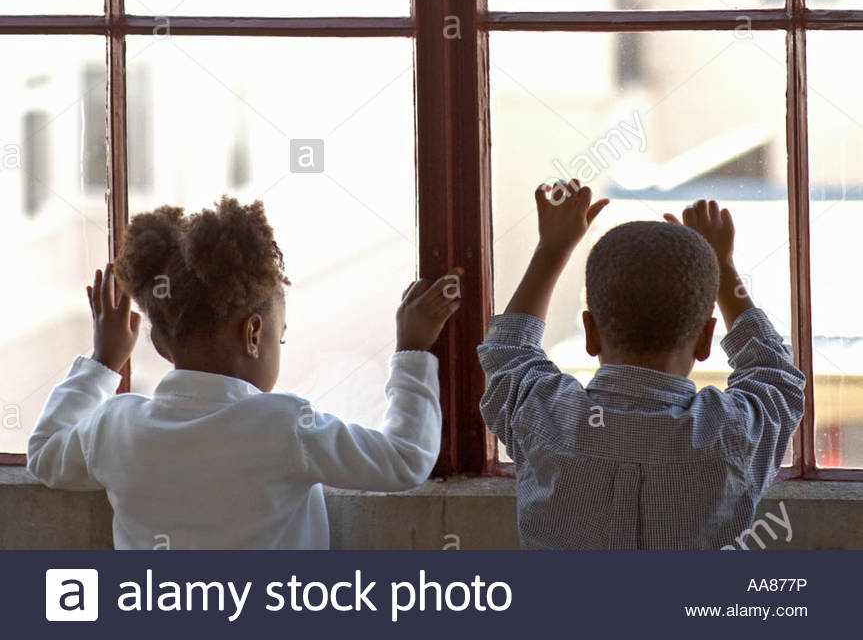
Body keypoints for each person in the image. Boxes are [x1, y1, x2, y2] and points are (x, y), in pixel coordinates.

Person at [27, 196, 461, 549]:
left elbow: (44, 454)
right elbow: (405, 459)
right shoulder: (286, 425)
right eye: (281, 337)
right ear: (253, 333)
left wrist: (103, 363)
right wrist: (412, 350)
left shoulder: (115, 426)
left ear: (158, 344)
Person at [478, 184, 805, 549]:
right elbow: (776, 374)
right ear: (705, 339)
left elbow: (507, 349)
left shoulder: (546, 415)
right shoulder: (733, 432)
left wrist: (551, 250)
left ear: (590, 333)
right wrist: (724, 271)